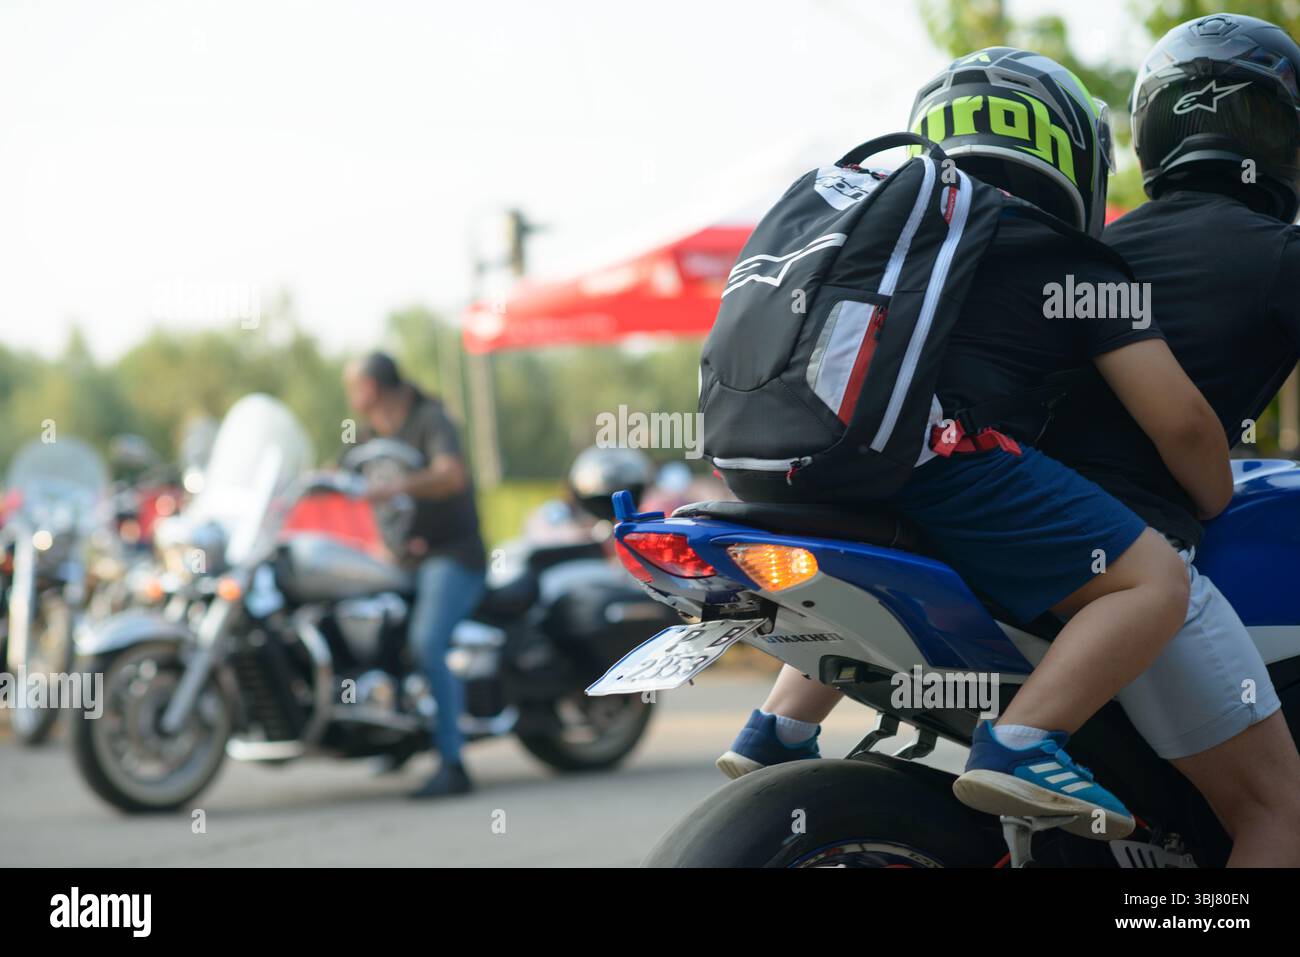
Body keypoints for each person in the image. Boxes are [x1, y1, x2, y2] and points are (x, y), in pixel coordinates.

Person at [720, 16, 1300, 864]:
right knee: (1272, 801)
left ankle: (777, 723)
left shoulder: (1015, 250)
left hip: (926, 506)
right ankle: (1026, 743)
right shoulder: (1096, 256)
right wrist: (1214, 491)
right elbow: (1177, 422)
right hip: (1078, 534)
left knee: (900, 530)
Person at [342, 352, 487, 798]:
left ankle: (452, 763)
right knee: (372, 629)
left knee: (426, 640)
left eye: (354, 385)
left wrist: (397, 487)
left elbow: (451, 475)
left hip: (453, 557)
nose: (351, 395)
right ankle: (395, 737)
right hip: (402, 559)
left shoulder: (430, 420)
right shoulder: (367, 434)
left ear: (372, 386)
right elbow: (336, 470)